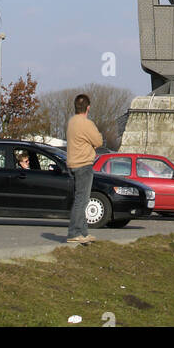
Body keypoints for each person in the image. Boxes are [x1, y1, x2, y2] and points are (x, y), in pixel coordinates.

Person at [65, 94, 103, 245]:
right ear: (88, 107)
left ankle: (83, 232)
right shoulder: (86, 123)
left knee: (81, 199)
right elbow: (99, 141)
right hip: (84, 165)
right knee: (82, 200)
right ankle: (74, 232)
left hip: (72, 165)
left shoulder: (71, 122)